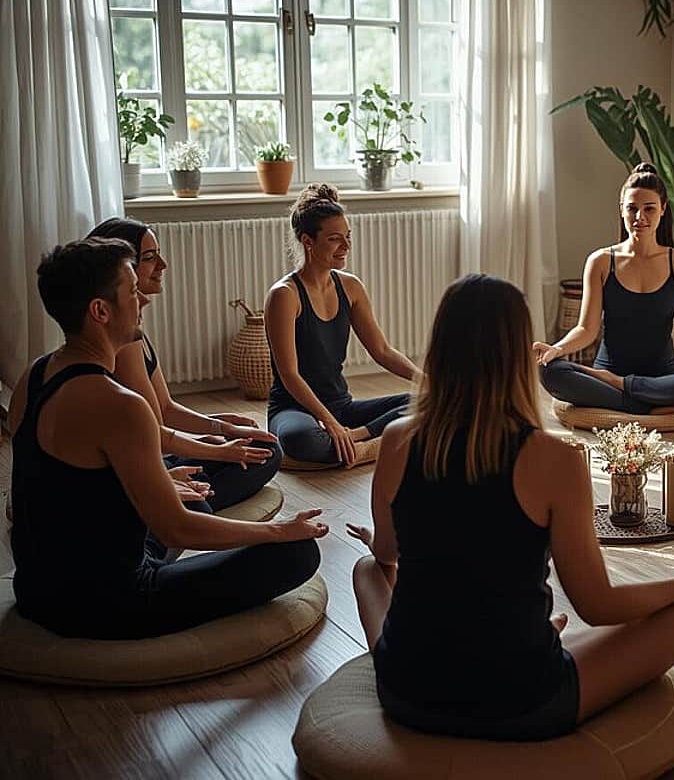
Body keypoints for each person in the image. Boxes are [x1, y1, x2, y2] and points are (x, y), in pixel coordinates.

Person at [348, 273, 674, 740]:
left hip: (406, 691)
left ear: (440, 350)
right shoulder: (555, 458)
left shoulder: (397, 438)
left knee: (367, 570)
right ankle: (540, 636)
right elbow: (597, 605)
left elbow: (386, 554)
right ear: (518, 355)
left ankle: (513, 639)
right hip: (521, 701)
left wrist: (385, 540)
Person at [8, 237, 326, 639]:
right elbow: (179, 530)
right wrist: (280, 530)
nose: (143, 300)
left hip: (34, 588)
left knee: (186, 501)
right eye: (132, 291)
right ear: (100, 311)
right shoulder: (120, 404)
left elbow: (53, 483)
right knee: (297, 552)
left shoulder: (34, 375)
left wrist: (159, 482)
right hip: (109, 603)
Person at [87, 217, 280, 513]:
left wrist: (221, 426)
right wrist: (218, 448)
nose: (162, 265)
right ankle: (181, 506)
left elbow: (164, 408)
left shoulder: (133, 333)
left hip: (156, 456)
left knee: (264, 449)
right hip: (140, 465)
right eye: (150, 258)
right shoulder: (121, 343)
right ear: (123, 268)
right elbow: (155, 434)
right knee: (249, 462)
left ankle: (185, 499)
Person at [534, 163, 674, 414]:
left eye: (649, 208)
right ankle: (648, 402)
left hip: (661, 376)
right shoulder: (601, 261)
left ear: (663, 209)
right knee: (550, 370)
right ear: (622, 210)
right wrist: (557, 348)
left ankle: (623, 392)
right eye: (632, 208)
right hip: (607, 372)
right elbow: (586, 329)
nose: (640, 217)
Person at [265, 184, 420, 465]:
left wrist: (427, 382)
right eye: (335, 239)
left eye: (348, 237)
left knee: (429, 403)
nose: (346, 247)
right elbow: (289, 374)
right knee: (303, 440)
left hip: (341, 406)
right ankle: (373, 443)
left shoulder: (351, 287)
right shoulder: (284, 295)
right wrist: (329, 422)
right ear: (308, 241)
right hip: (295, 410)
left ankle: (357, 440)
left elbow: (382, 351)